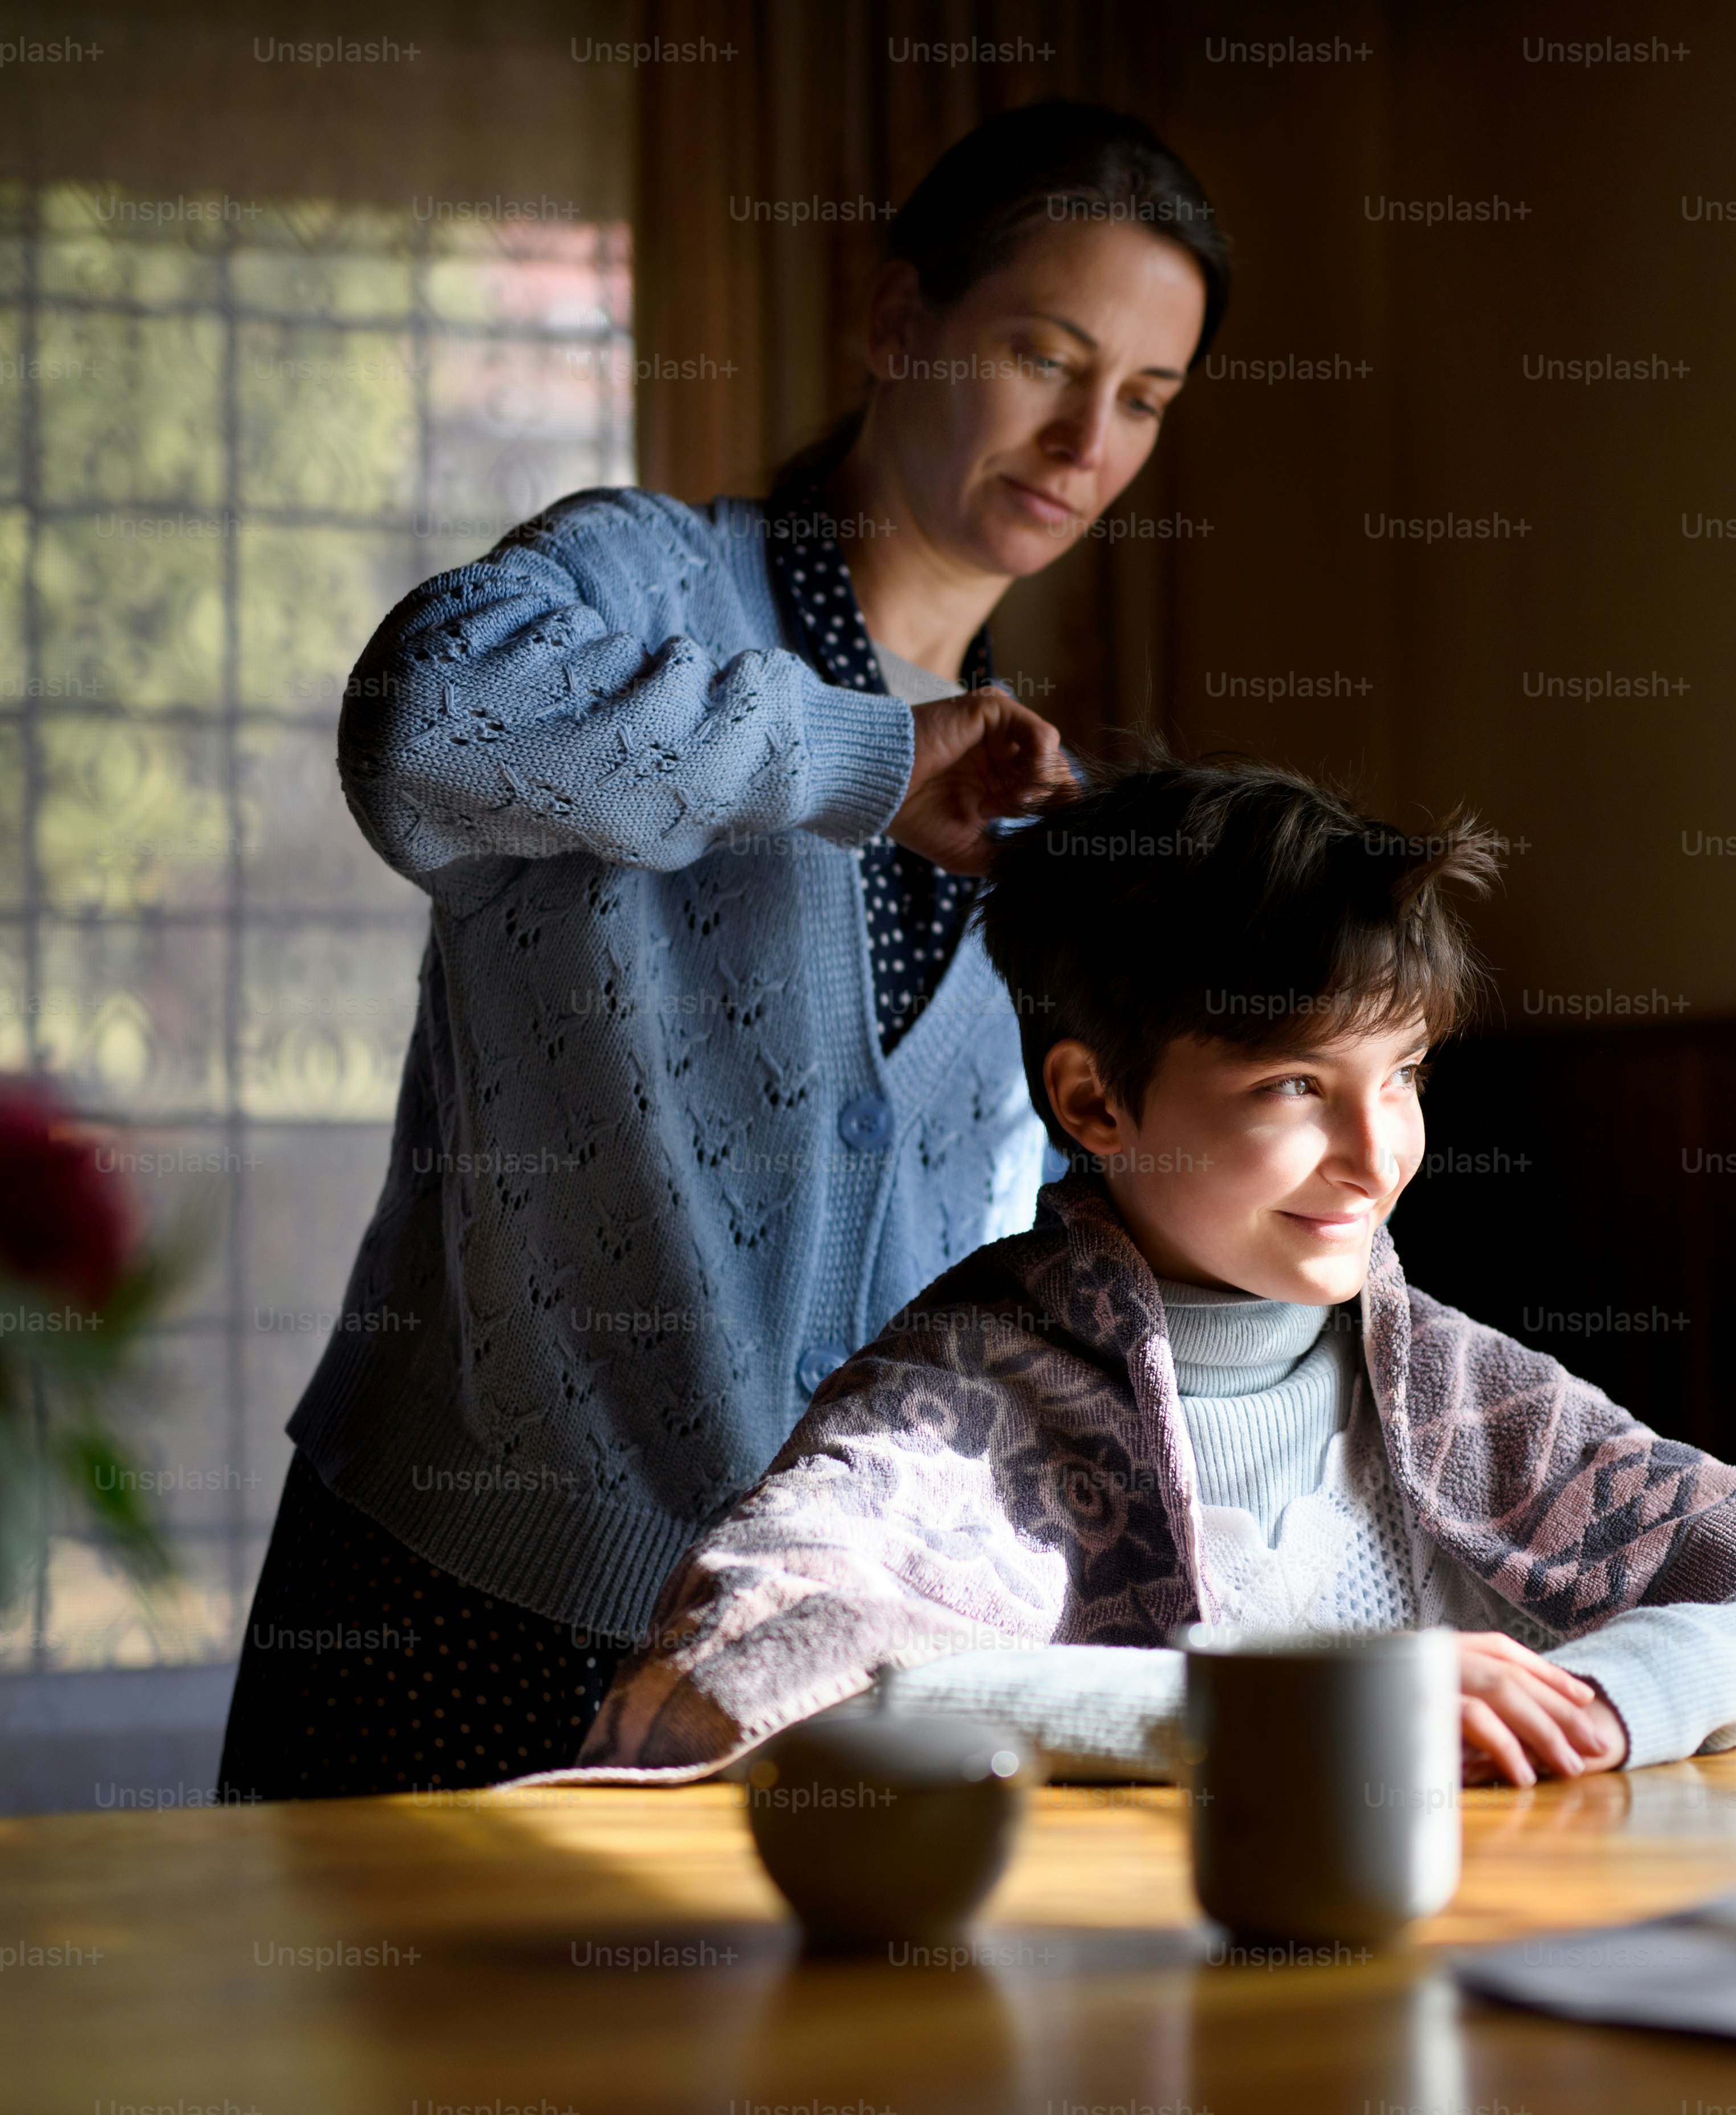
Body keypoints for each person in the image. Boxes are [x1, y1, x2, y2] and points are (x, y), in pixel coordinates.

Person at [216, 103, 1231, 1800]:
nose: (1085, 440)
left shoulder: (1039, 803)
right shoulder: (639, 582)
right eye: (1044, 356)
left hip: (819, 1653)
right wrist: (869, 763)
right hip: (460, 1592)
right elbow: (418, 726)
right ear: (898, 322)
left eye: (1143, 399)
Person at [553, 759, 1736, 1787]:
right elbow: (724, 1683)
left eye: (1399, 1075)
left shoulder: (1449, 1382)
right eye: (1294, 1085)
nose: (1373, 1156)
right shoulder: (958, 1389)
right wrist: (1307, 1706)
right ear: (1095, 1104)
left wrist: (1601, 1695)